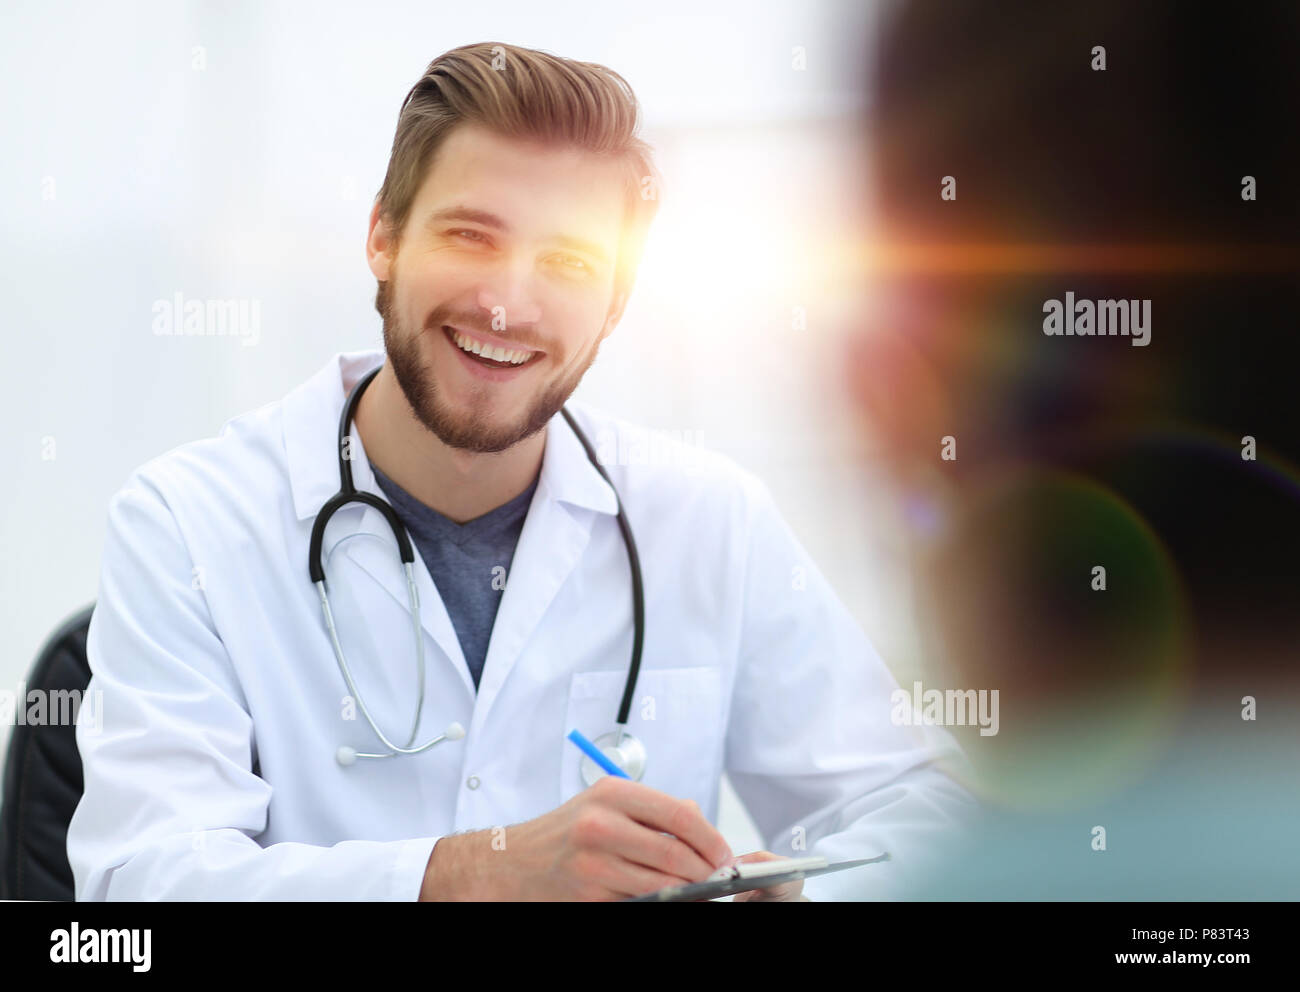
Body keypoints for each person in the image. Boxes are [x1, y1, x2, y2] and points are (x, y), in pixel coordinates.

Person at [67, 42, 976, 902]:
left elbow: (925, 821)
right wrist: (473, 874)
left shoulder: (709, 521)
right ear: (383, 237)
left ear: (617, 301)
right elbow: (142, 888)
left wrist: (800, 890)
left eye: (570, 261)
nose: (509, 302)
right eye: (471, 236)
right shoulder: (186, 521)